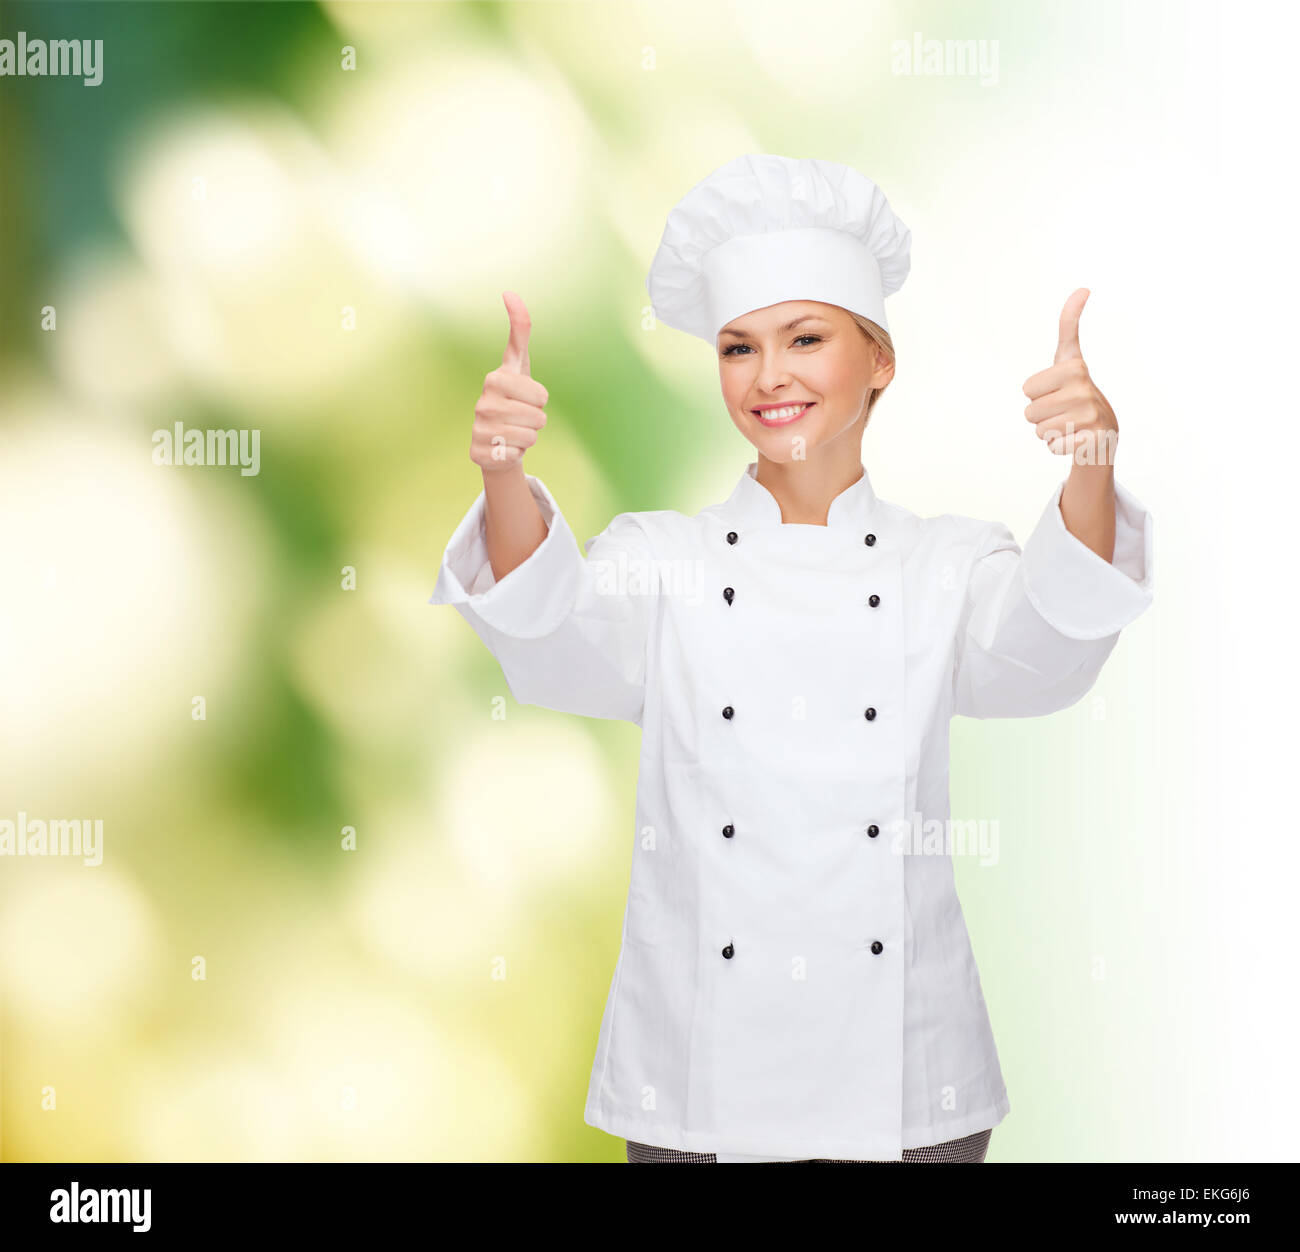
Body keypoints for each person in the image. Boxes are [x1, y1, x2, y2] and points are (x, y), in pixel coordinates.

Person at [430, 154, 1154, 1163]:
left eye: (804, 339)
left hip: (909, 1082)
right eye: (738, 348)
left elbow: (1049, 644)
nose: (769, 376)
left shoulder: (944, 561)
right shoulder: (664, 560)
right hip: (698, 1083)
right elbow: (549, 631)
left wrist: (1090, 462)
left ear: (880, 360)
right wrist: (503, 472)